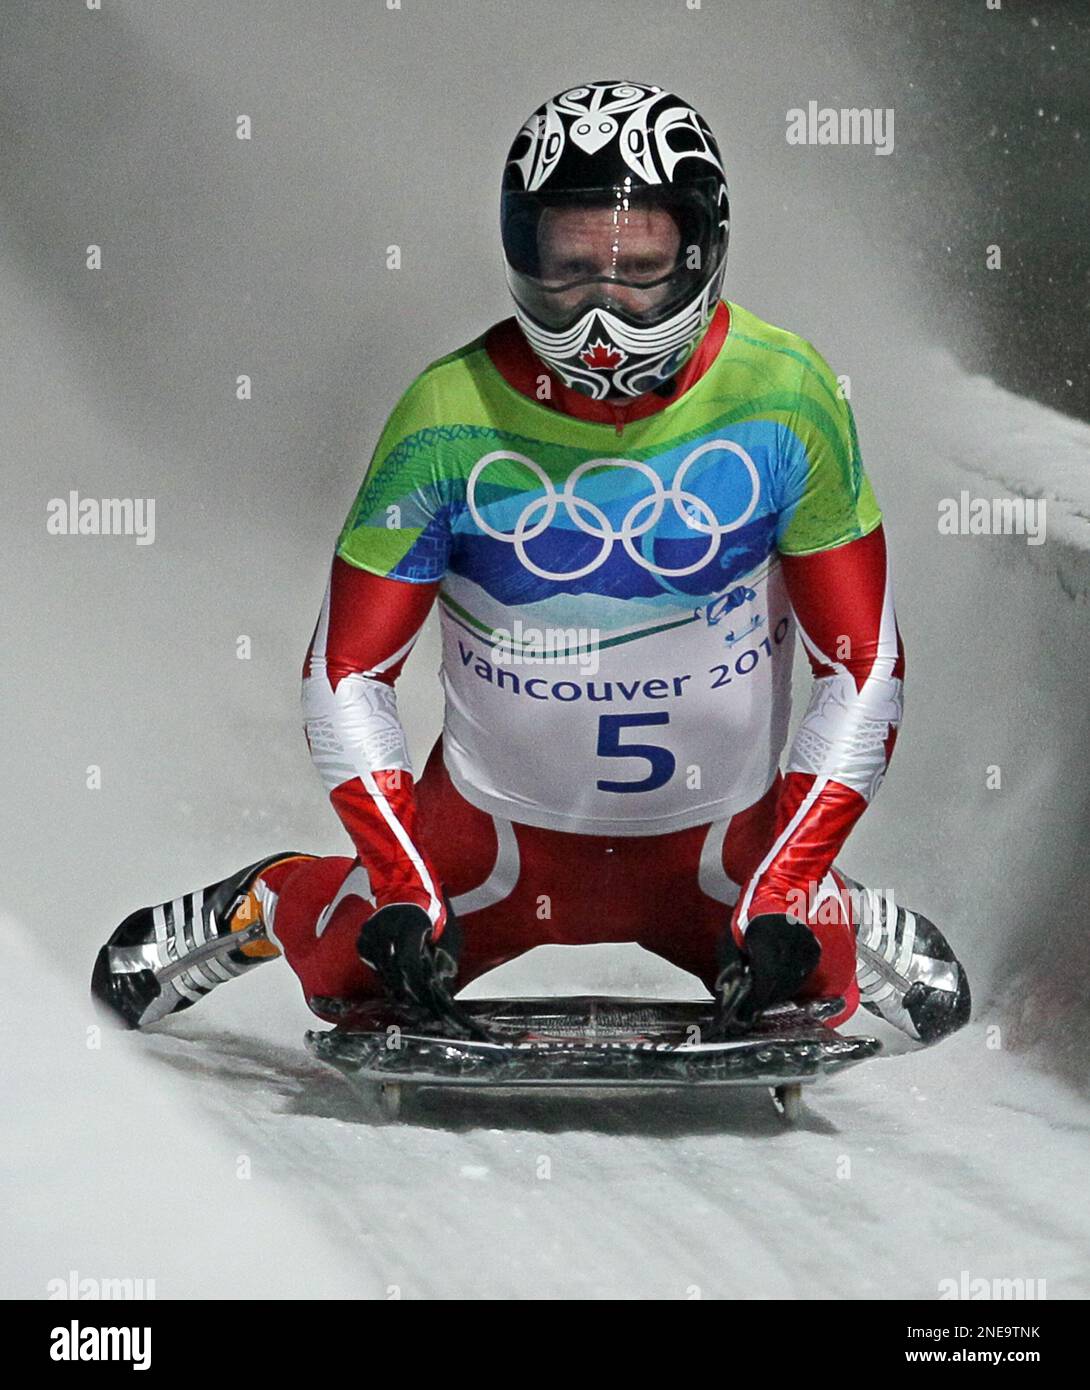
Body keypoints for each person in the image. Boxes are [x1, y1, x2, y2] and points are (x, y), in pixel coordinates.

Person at [93, 80, 969, 1045]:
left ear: (700, 253)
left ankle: (827, 903)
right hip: (493, 849)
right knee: (357, 977)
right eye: (571, 265)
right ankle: (268, 902)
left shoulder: (791, 397)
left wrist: (788, 883)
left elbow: (863, 662)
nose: (604, 309)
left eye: (639, 266)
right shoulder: (445, 413)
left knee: (809, 989)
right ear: (524, 252)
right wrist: (400, 885)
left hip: (724, 853)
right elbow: (346, 669)